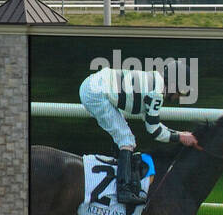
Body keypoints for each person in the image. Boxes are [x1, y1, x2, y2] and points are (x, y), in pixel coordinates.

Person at [79, 67, 198, 204]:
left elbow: (151, 123)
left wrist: (179, 134)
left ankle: (119, 174)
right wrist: (181, 137)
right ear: (173, 84)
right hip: (95, 92)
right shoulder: (156, 94)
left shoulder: (153, 82)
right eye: (180, 93)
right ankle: (123, 190)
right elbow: (155, 131)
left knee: (124, 136)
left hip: (93, 86)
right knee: (127, 140)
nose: (178, 97)